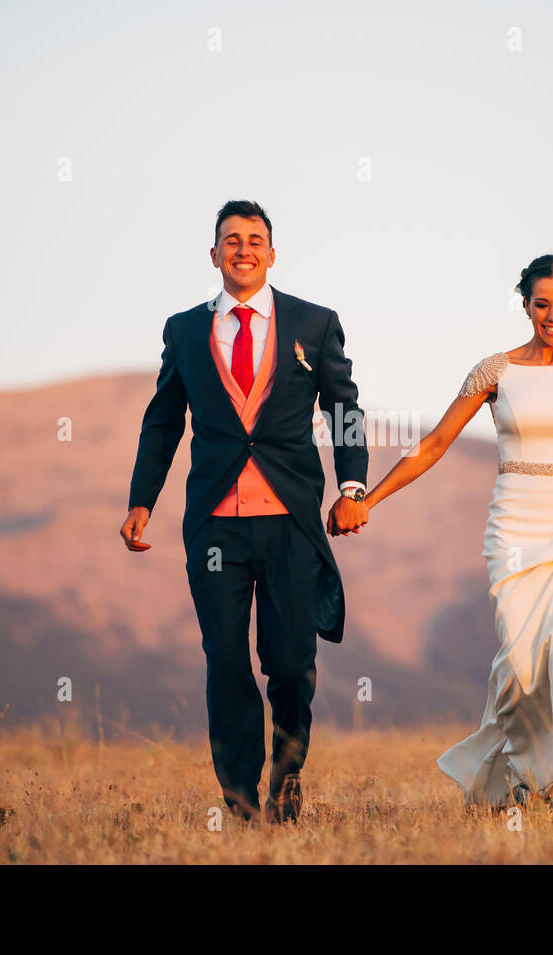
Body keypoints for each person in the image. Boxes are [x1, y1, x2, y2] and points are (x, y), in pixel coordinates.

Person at [341, 253, 553, 820]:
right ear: (524, 303)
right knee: (526, 668)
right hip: (514, 530)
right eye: (542, 303)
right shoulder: (495, 371)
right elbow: (433, 446)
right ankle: (536, 771)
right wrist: (366, 499)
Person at [121, 200, 369, 824]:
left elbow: (344, 408)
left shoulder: (313, 323)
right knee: (226, 657)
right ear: (214, 256)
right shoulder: (184, 329)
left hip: (289, 519)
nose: (243, 249)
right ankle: (238, 798)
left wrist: (353, 486)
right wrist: (141, 500)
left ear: (272, 253)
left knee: (288, 662)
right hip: (214, 526)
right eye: (231, 240)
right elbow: (162, 422)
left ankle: (288, 774)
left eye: (255, 239)